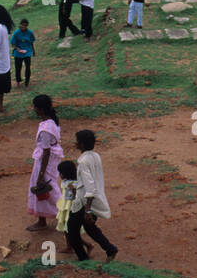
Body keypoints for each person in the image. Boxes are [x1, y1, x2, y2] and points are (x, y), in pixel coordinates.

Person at [69, 129, 117, 260]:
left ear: (82, 145)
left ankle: (83, 259)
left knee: (72, 232)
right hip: (94, 200)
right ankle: (110, 249)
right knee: (90, 228)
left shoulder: (83, 162)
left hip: (84, 203)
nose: (75, 144)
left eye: (77, 142)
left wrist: (87, 210)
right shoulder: (96, 156)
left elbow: (89, 187)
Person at [25, 95, 62, 231]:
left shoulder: (46, 129)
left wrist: (41, 174)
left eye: (34, 107)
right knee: (47, 188)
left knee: (48, 188)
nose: (33, 109)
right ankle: (43, 220)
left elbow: (46, 152)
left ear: (40, 109)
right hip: (48, 161)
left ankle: (66, 214)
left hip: (44, 163)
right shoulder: (52, 122)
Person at [11, 18, 35, 87]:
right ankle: (18, 81)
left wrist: (33, 51)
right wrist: (17, 48)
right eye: (22, 26)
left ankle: (27, 82)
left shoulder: (30, 33)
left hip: (27, 51)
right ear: (20, 25)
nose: (23, 27)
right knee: (18, 67)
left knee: (28, 67)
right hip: (18, 52)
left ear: (27, 26)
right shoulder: (16, 33)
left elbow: (31, 42)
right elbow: (13, 44)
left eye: (25, 26)